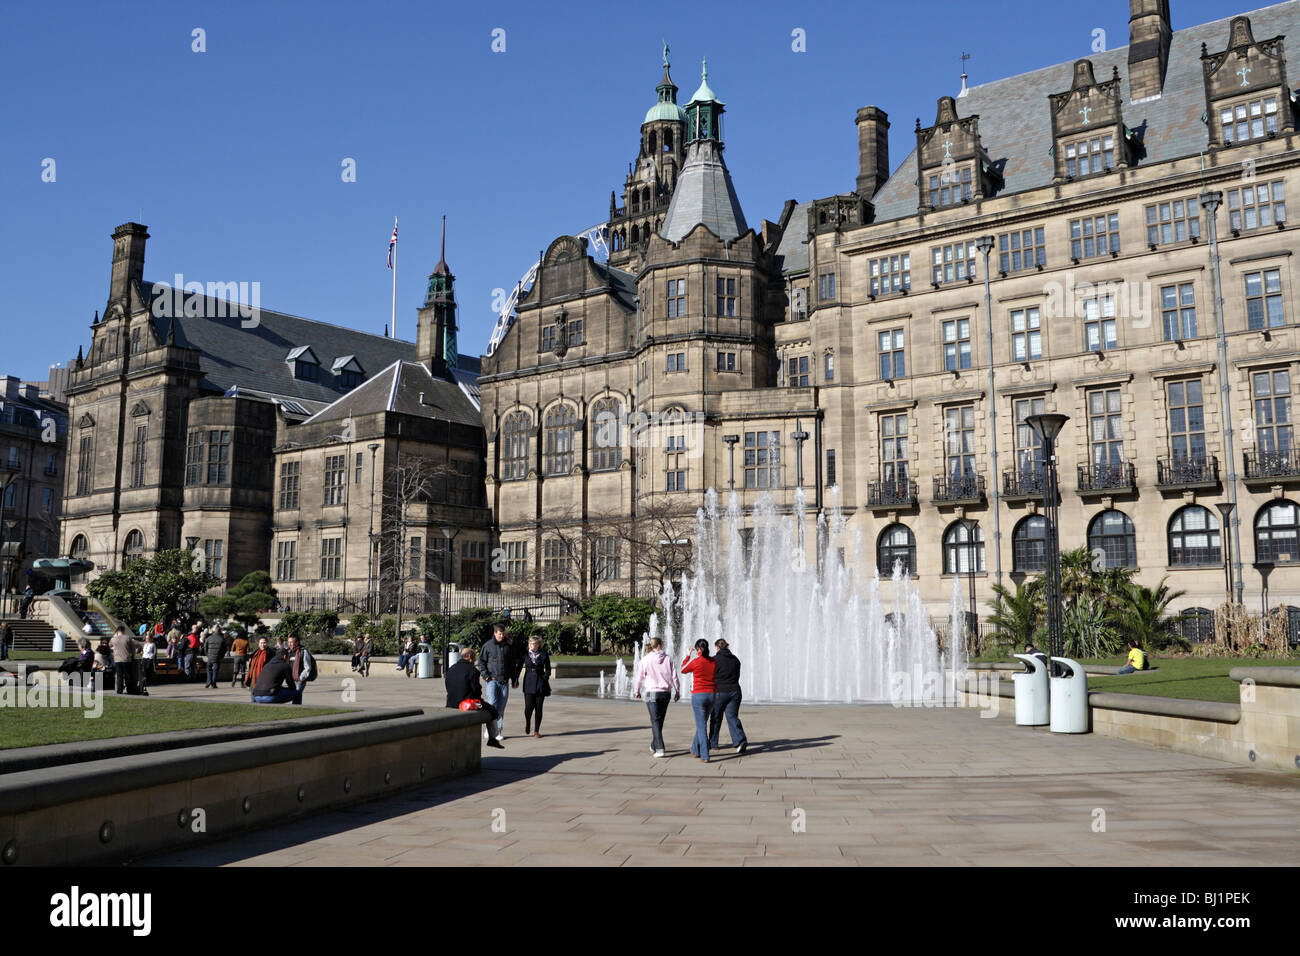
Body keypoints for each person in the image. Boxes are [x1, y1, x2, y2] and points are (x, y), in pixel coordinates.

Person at [445, 647, 503, 749]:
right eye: (474, 657)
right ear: (470, 657)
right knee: (493, 710)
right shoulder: (473, 670)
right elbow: (476, 690)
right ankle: (492, 739)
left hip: (451, 702)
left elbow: (448, 686)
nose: (475, 660)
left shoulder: (451, 669)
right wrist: (479, 699)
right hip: (467, 702)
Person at [634, 636, 679, 757]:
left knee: (655, 720)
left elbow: (639, 677)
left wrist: (636, 690)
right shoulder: (668, 658)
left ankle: (660, 748)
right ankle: (654, 745)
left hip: (652, 692)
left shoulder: (645, 659)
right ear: (660, 645)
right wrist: (678, 690)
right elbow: (674, 676)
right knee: (659, 720)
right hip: (666, 692)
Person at [476, 623, 518, 742]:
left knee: (501, 708)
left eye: (503, 633)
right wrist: (487, 677)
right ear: (495, 633)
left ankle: (498, 730)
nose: (502, 635)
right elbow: (481, 662)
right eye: (500, 634)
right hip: (492, 681)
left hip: (504, 682)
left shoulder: (508, 647)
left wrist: (515, 680)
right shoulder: (487, 646)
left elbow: (512, 665)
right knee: (492, 704)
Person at [708, 638, 748, 755]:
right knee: (732, 717)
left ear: (717, 647)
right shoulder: (736, 660)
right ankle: (740, 740)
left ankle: (713, 743)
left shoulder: (714, 660)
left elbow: (711, 677)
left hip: (720, 692)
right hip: (735, 691)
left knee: (716, 717)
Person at [682, 639, 716, 762]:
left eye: (696, 649)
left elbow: (683, 669)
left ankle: (705, 754)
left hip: (698, 695)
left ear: (698, 649)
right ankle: (695, 749)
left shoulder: (696, 662)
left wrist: (687, 655)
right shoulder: (713, 661)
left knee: (701, 726)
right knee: (702, 723)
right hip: (712, 695)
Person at [520, 635, 551, 737]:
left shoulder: (543, 654)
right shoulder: (525, 654)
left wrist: (544, 678)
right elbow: (519, 666)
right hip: (528, 683)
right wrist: (515, 679)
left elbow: (548, 669)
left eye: (534, 643)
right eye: (530, 643)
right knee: (528, 707)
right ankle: (528, 721)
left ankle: (536, 730)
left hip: (540, 683)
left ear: (538, 645)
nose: (531, 645)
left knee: (538, 707)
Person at [109, 625, 141, 695]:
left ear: (117, 631)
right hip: (126, 659)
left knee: (119, 676)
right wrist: (133, 655)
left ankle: (119, 690)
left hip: (117, 659)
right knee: (127, 675)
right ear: (124, 631)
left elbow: (110, 645)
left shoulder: (113, 639)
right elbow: (133, 649)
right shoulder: (128, 638)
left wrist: (115, 636)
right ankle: (129, 689)